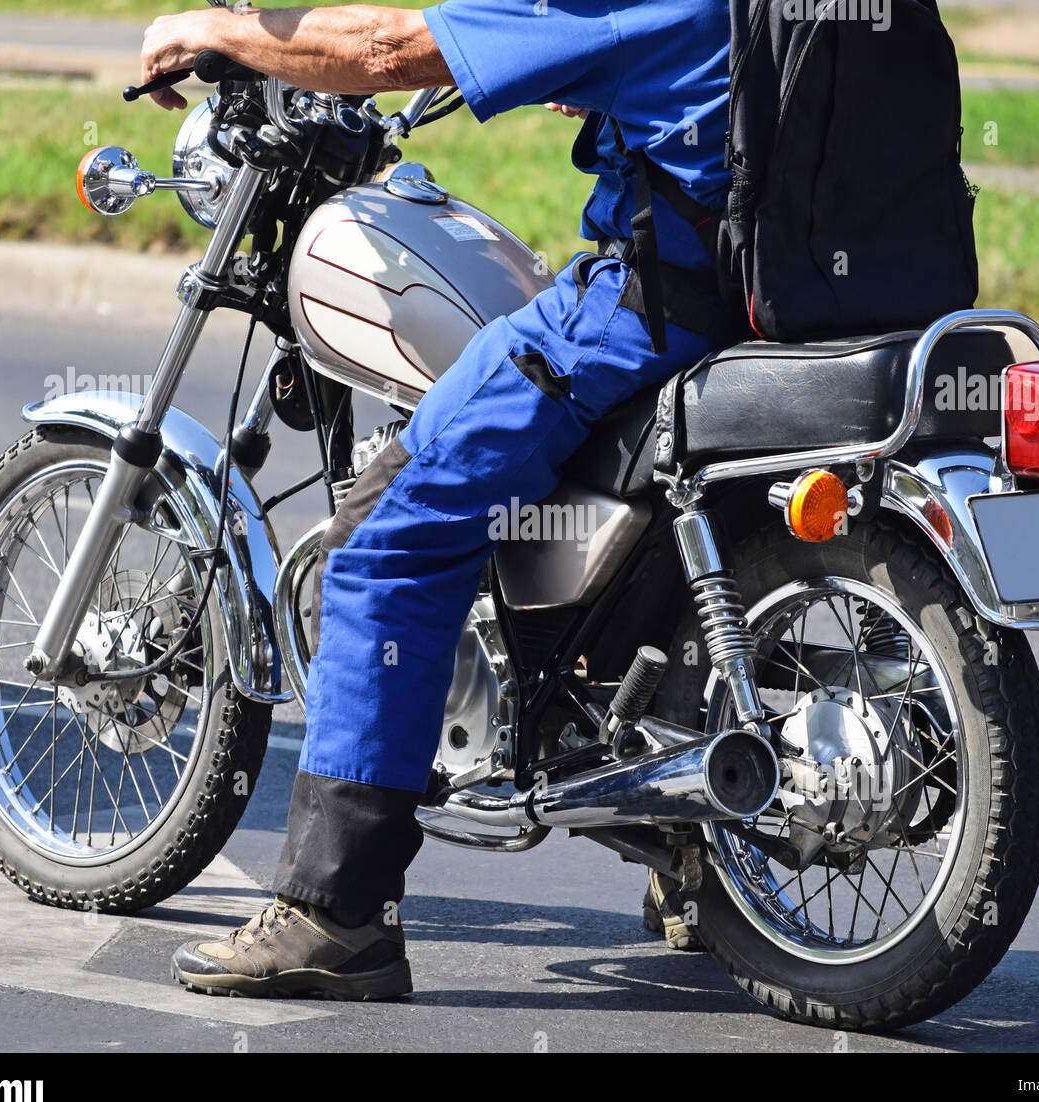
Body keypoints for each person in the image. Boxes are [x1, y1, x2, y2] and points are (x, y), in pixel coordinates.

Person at [141, 1, 732, 1000]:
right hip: (815, 307)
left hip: (654, 310)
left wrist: (233, 33)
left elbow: (385, 51)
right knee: (625, 541)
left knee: (379, 546)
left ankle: (337, 914)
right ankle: (696, 852)